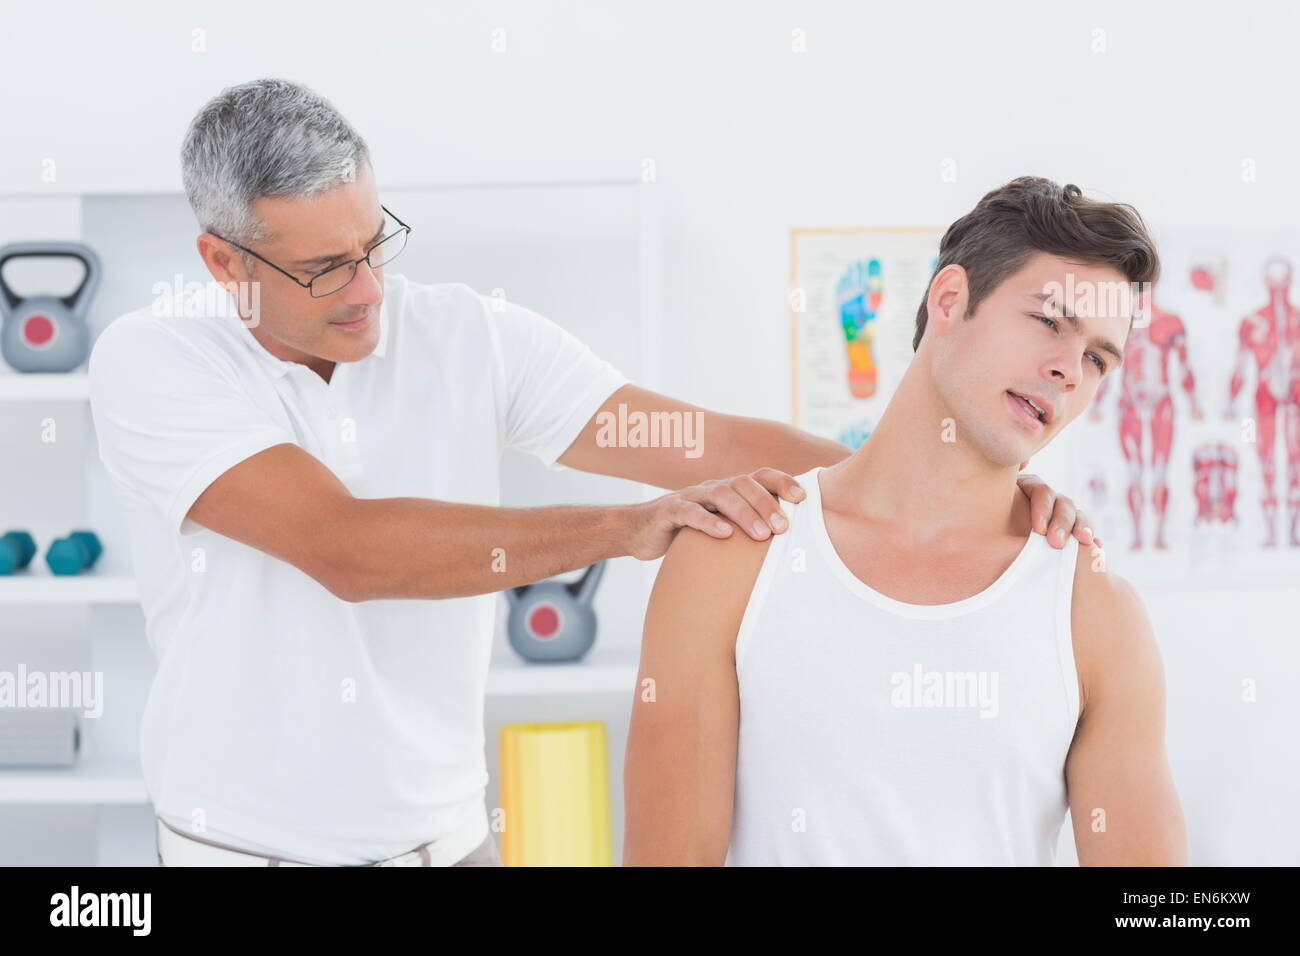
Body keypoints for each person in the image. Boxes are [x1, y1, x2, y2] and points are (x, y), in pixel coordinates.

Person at [88, 79, 1095, 867]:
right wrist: (621, 528)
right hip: (248, 847)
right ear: (223, 264)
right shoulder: (157, 360)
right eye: (322, 269)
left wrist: (967, 494)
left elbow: (692, 441)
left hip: (451, 841)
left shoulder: (463, 335)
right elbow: (349, 547)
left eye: (373, 243)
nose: (366, 290)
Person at [623, 176, 1188, 866]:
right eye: (1050, 321)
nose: (1071, 369)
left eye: (1098, 358)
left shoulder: (1095, 614)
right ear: (949, 300)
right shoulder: (731, 558)